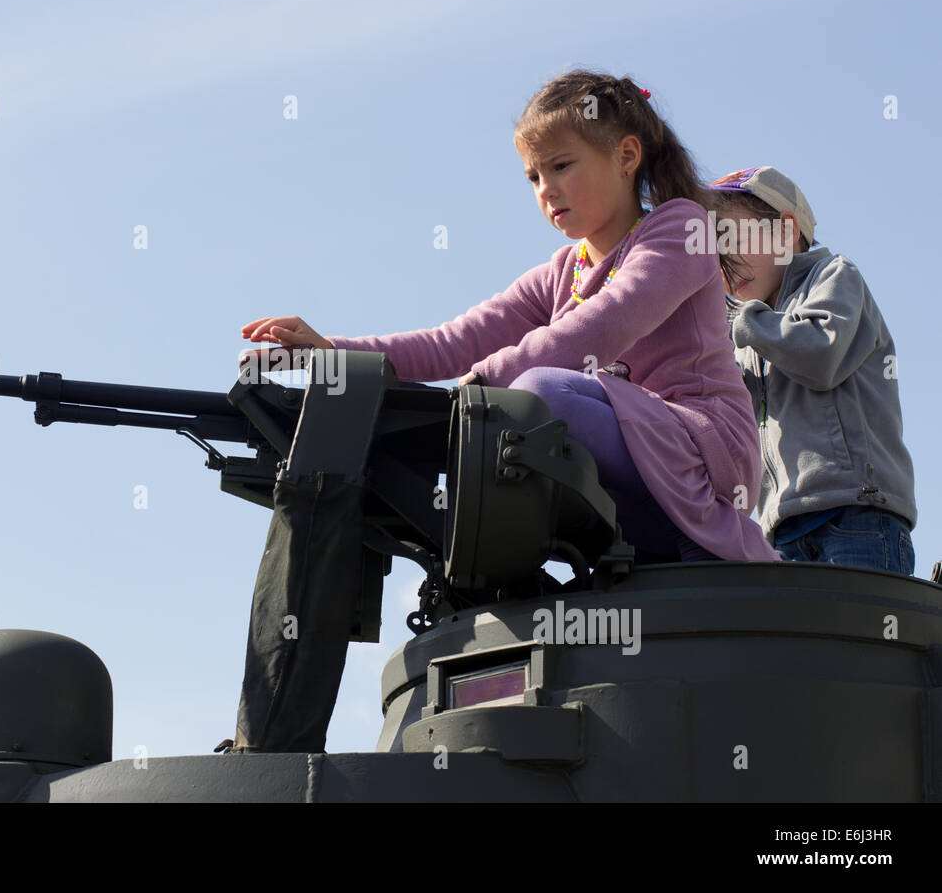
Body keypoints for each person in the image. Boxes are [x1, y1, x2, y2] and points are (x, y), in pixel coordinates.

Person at [230, 70, 778, 754]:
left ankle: (696, 540)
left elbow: (598, 332)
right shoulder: (565, 270)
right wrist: (336, 353)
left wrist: (479, 390)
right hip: (619, 441)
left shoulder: (679, 229)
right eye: (531, 177)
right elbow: (455, 338)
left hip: (698, 445)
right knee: (510, 417)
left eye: (561, 166)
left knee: (540, 398)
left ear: (627, 155)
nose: (545, 190)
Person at [705, 166, 916, 574]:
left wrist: (738, 323)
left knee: (857, 637)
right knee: (802, 638)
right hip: (780, 531)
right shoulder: (748, 332)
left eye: (732, 238)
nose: (725, 263)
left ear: (786, 231)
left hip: (855, 517)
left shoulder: (834, 277)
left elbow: (821, 354)